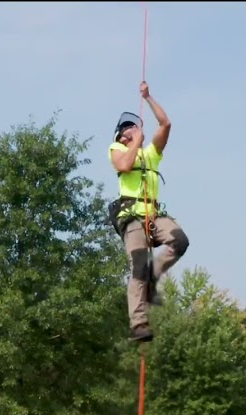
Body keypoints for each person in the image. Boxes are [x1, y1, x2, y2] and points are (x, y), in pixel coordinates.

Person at [108, 81, 190, 343]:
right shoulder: (118, 149)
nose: (131, 131)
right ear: (121, 137)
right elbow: (125, 164)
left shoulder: (151, 155)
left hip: (153, 216)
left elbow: (165, 125)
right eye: (126, 131)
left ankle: (153, 280)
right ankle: (139, 323)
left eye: (132, 128)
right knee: (139, 266)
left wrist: (148, 97)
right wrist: (135, 142)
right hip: (131, 217)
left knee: (180, 241)